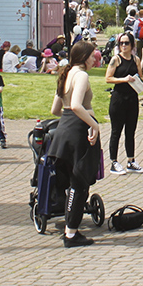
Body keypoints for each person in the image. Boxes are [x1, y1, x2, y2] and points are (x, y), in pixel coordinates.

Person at [48, 40, 103, 247]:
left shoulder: (65, 73)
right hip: (78, 133)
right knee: (79, 184)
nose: (94, 59)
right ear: (84, 57)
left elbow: (56, 109)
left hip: (63, 130)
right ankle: (71, 234)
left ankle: (70, 229)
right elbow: (77, 105)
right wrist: (94, 125)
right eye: (92, 56)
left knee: (72, 183)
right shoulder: (81, 75)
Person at [104, 31, 143, 175]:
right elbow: (108, 78)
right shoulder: (116, 59)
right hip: (118, 98)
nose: (123, 46)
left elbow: (140, 76)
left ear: (132, 45)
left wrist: (140, 82)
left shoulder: (136, 60)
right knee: (116, 131)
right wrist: (124, 79)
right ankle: (114, 162)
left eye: (126, 43)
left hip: (132, 98)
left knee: (130, 131)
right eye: (121, 43)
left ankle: (131, 160)